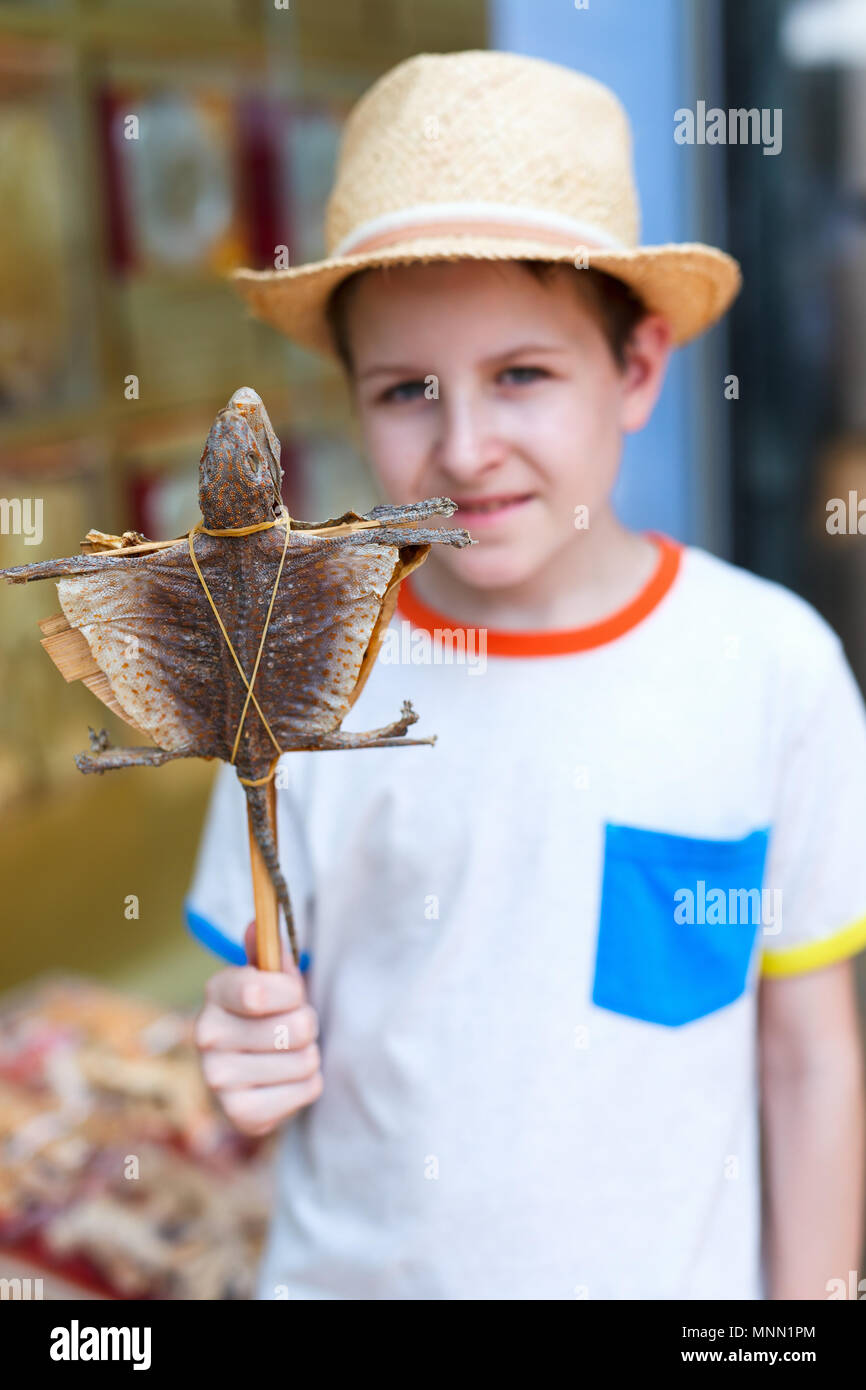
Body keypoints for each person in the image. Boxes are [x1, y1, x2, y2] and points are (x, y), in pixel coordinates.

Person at [186, 50, 866, 1300]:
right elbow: (256, 1031)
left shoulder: (771, 670)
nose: (461, 445)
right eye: (405, 390)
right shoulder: (290, 669)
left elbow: (807, 1057)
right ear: (352, 400)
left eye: (521, 375)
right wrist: (236, 1066)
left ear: (639, 370)